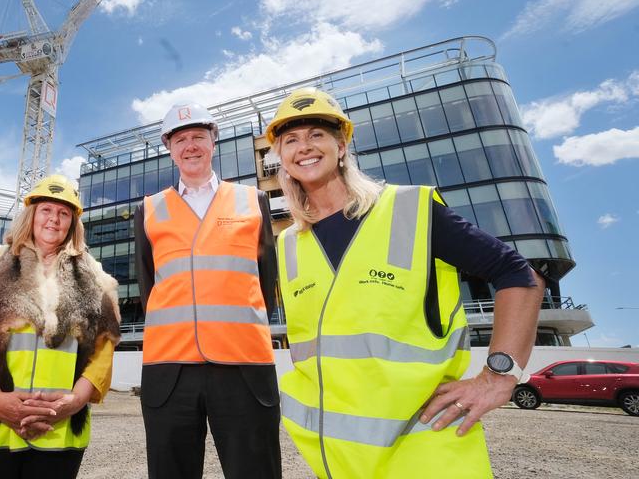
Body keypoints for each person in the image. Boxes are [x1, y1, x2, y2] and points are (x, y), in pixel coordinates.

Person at [266, 87, 545, 478]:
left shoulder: (408, 209)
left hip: (425, 451)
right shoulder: (289, 245)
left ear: (341, 146)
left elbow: (518, 273)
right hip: (339, 461)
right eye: (291, 140)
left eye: (316, 135)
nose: (304, 147)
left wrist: (499, 376)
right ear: (281, 156)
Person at [134, 102, 282, 479]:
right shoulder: (149, 209)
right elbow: (149, 286)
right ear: (170, 149)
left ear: (213, 142)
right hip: (170, 368)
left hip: (243, 364)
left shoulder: (252, 201)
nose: (190, 146)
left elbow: (266, 281)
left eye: (198, 136)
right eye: (180, 139)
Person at [0, 174, 121, 479]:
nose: (54, 219)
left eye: (64, 213)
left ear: (73, 223)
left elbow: (103, 347)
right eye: (46, 210)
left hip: (58, 430)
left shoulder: (92, 275)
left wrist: (75, 401)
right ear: (31, 215)